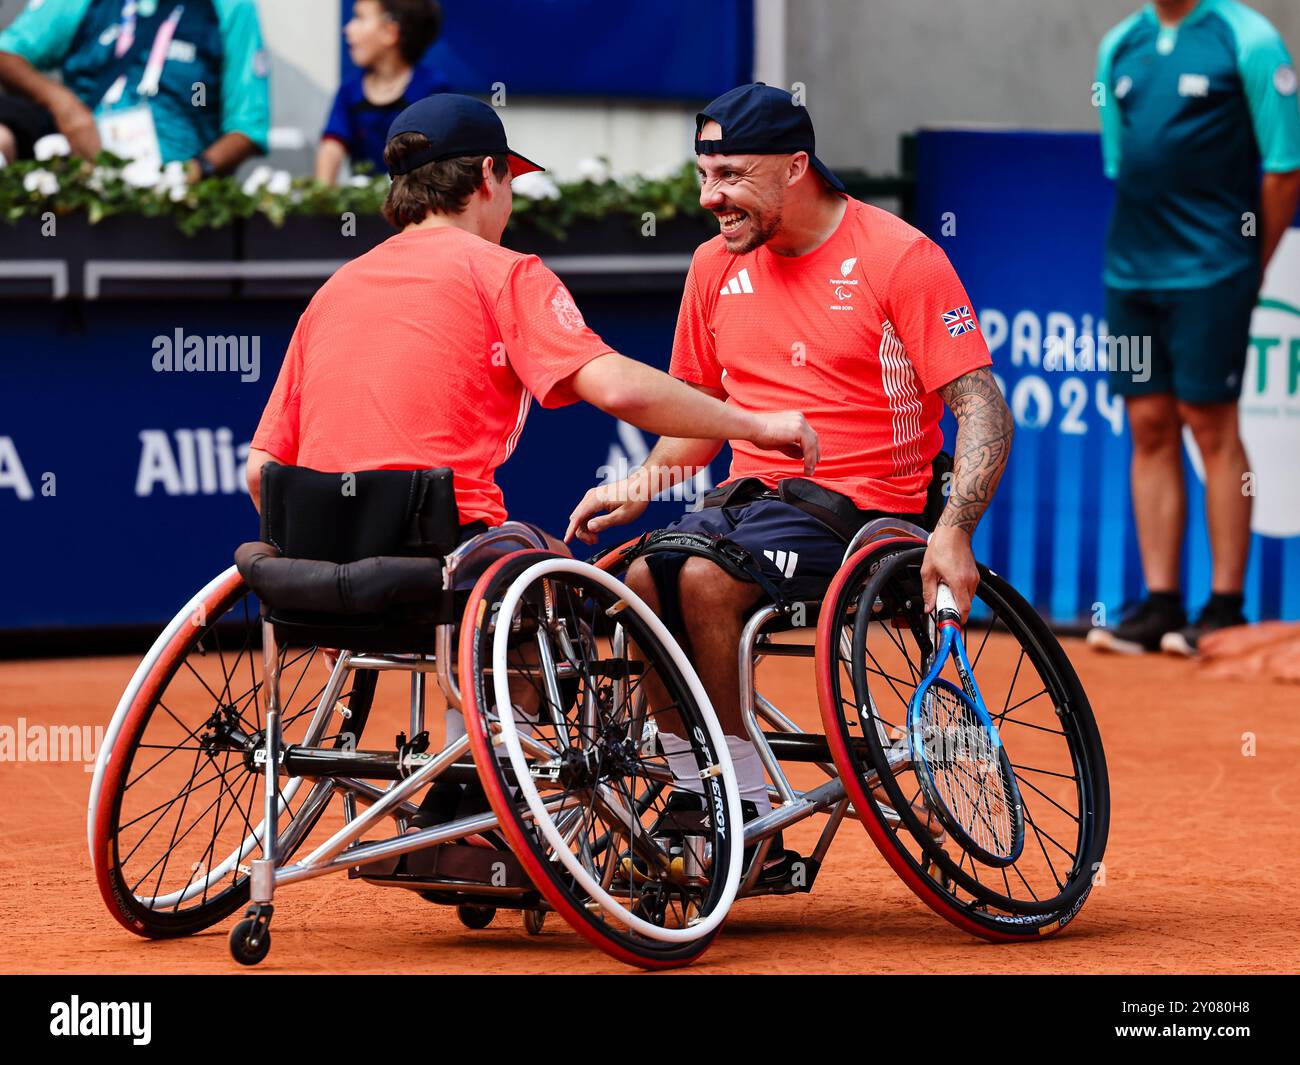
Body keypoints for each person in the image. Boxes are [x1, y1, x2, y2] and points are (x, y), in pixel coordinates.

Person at [244, 93, 819, 826]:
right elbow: (612, 383)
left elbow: (262, 470)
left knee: (504, 578)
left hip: (312, 576)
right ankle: (483, 793)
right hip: (443, 559)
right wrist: (750, 421)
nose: (509, 197)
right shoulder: (504, 272)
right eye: (509, 179)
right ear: (488, 175)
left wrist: (335, 561)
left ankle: (467, 796)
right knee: (552, 581)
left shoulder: (333, 290)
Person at [566, 83, 1013, 856]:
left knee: (702, 580)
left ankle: (738, 804)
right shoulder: (713, 267)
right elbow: (700, 424)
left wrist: (954, 529)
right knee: (641, 582)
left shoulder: (899, 256)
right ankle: (704, 789)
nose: (711, 198)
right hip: (749, 503)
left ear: (797, 165)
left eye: (731, 176)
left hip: (866, 513)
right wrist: (635, 488)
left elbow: (984, 409)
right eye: (704, 176)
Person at [1087, 0, 1300, 657]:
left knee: (1211, 423)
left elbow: (1284, 164)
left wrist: (1247, 261)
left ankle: (1225, 607)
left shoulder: (1250, 39)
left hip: (1213, 270)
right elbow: (1122, 162)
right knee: (1148, 422)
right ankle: (1159, 605)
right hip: (1131, 272)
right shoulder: (1118, 45)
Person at [0, 0, 269, 180]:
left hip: (175, 202)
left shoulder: (230, 7)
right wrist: (63, 104)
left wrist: (194, 172)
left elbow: (247, 128)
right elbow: (6, 54)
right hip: (79, 180)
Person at [315, 0, 448, 184]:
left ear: (389, 32)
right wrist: (320, 200)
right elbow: (331, 149)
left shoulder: (432, 90)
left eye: (359, 18)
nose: (347, 29)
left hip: (417, 205)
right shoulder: (349, 91)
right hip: (363, 209)